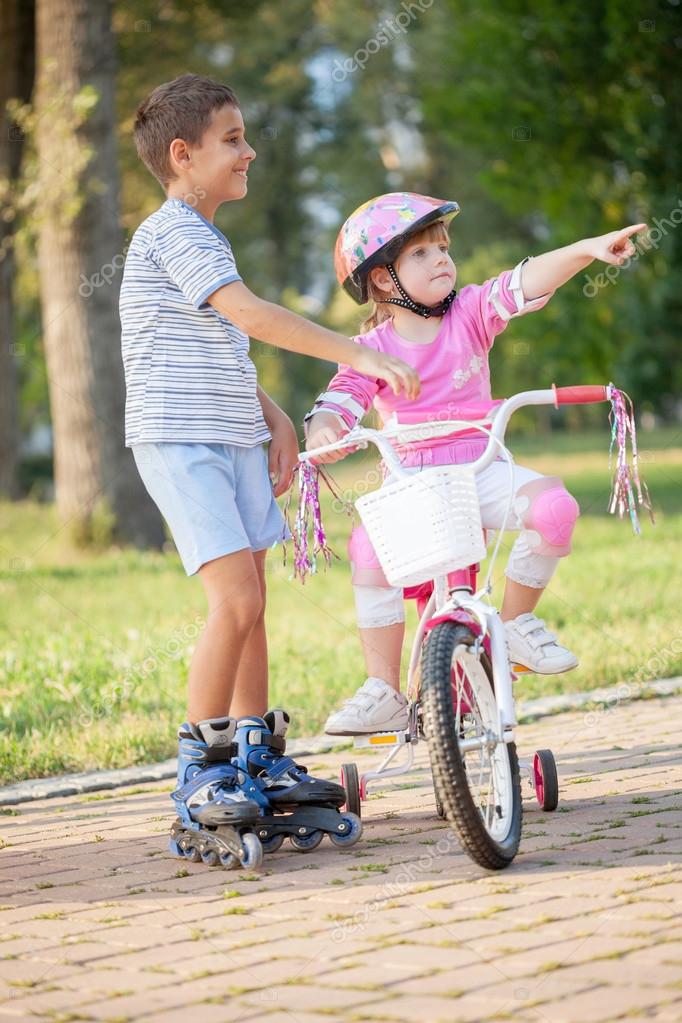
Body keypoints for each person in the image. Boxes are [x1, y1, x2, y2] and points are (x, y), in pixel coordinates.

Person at [119, 76, 419, 861]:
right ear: (183, 156)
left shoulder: (205, 237)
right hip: (181, 442)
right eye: (232, 139)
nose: (248, 150)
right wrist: (356, 351)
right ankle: (199, 768)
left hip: (230, 436)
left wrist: (274, 415)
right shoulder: (172, 231)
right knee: (236, 598)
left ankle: (256, 750)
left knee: (254, 603)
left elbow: (225, 343)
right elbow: (250, 314)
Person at [305, 191, 645, 736]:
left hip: (482, 467)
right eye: (421, 253)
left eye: (443, 247)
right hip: (414, 484)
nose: (442, 258)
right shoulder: (370, 349)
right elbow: (339, 402)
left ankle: (514, 626)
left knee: (555, 508)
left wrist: (586, 248)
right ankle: (383, 688)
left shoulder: (471, 314)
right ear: (383, 280)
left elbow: (527, 280)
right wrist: (327, 434)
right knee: (368, 551)